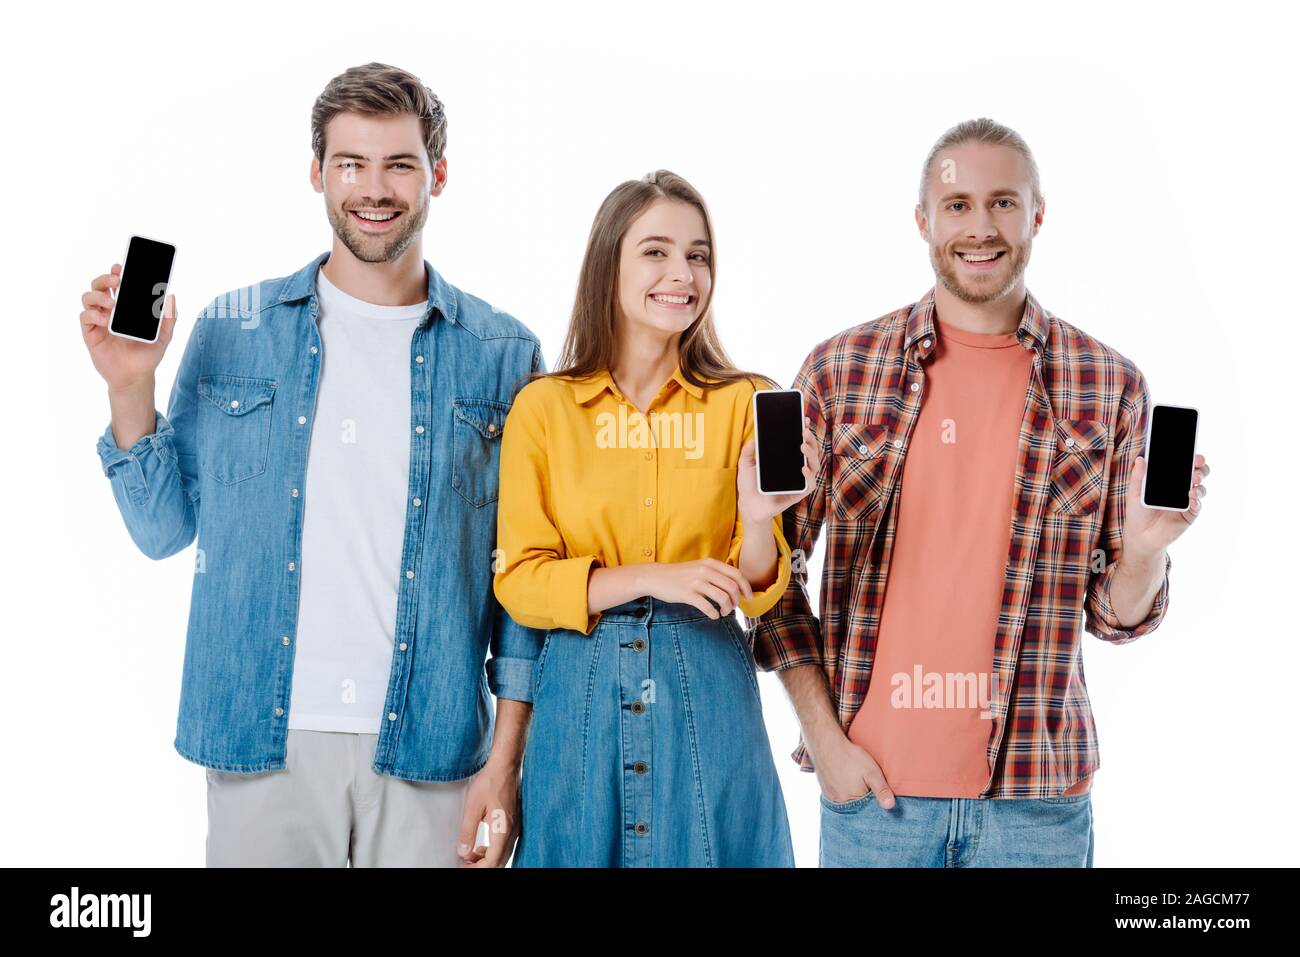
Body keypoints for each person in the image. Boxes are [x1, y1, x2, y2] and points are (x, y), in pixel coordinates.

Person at [80, 62, 545, 867]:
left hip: (436, 747)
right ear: (316, 172)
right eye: (351, 164)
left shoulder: (504, 353)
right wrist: (131, 388)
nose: (374, 188)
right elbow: (161, 532)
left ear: (438, 173)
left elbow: (524, 581)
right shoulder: (236, 331)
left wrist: (506, 767)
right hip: (264, 739)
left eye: (399, 163)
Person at [753, 118, 1211, 867]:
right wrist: (826, 742)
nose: (980, 226)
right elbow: (770, 574)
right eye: (957, 203)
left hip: (1038, 806)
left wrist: (1145, 553)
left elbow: (1116, 616)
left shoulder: (1108, 383)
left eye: (1003, 202)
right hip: (875, 797)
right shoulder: (841, 368)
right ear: (923, 220)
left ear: (1036, 214)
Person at [493, 170, 816, 867]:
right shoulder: (544, 409)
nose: (683, 273)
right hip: (578, 696)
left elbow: (759, 588)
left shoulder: (745, 401)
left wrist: (759, 518)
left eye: (699, 254)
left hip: (706, 691)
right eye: (657, 251)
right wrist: (655, 576)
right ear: (609, 261)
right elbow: (520, 581)